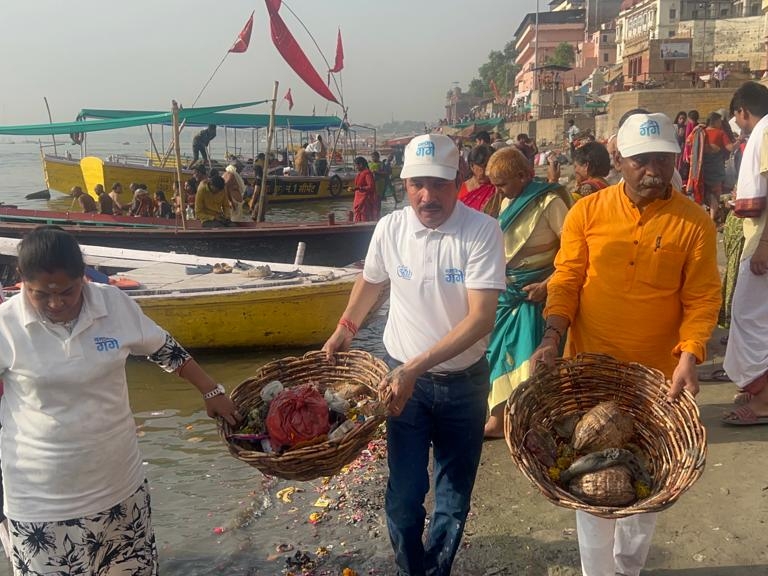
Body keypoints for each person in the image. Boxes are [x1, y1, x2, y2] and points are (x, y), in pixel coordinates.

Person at [530, 112, 721, 576]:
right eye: (641, 159)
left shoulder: (694, 223)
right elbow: (567, 280)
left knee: (648, 486)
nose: (652, 167)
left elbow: (702, 298)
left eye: (662, 157)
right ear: (619, 161)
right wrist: (552, 338)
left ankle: (628, 569)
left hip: (658, 383)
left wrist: (691, 354)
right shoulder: (587, 212)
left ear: (676, 158)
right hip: (589, 374)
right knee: (589, 482)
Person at [0, 226, 241, 575]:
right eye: (41, 295)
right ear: (22, 279)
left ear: (82, 276)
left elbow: (163, 348)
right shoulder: (6, 325)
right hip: (42, 505)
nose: (56, 304)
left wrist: (211, 390)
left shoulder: (113, 304)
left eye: (67, 292)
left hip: (120, 491)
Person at [321, 133, 505, 576]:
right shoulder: (391, 228)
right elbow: (371, 280)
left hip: (463, 385)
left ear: (458, 180)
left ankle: (435, 570)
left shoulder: (482, 232)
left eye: (439, 184)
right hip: (403, 386)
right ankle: (411, 569)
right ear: (403, 184)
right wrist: (346, 327)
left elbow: (481, 319)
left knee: (453, 495)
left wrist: (414, 366)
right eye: (417, 184)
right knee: (404, 494)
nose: (428, 196)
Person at [483, 147, 572, 438]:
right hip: (507, 293)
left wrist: (549, 284)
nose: (498, 191)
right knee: (497, 355)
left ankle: (520, 420)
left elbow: (574, 253)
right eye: (494, 185)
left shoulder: (549, 202)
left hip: (537, 294)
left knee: (530, 359)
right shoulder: (502, 201)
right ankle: (499, 417)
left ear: (524, 175)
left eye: (503, 184)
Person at [723, 81, 768, 423]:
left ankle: (762, 400)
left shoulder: (765, 130)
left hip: (763, 242)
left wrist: (765, 244)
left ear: (742, 111)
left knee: (747, 317)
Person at [457, 144, 499, 215]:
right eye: (484, 166)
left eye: (492, 166)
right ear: (472, 166)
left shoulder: (497, 188)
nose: (488, 171)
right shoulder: (459, 189)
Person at [350, 156, 377, 222]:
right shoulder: (361, 173)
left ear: (361, 164)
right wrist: (355, 189)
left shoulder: (367, 173)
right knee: (358, 215)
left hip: (365, 200)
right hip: (358, 199)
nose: (355, 167)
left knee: (364, 216)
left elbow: (371, 186)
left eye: (356, 165)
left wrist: (359, 188)